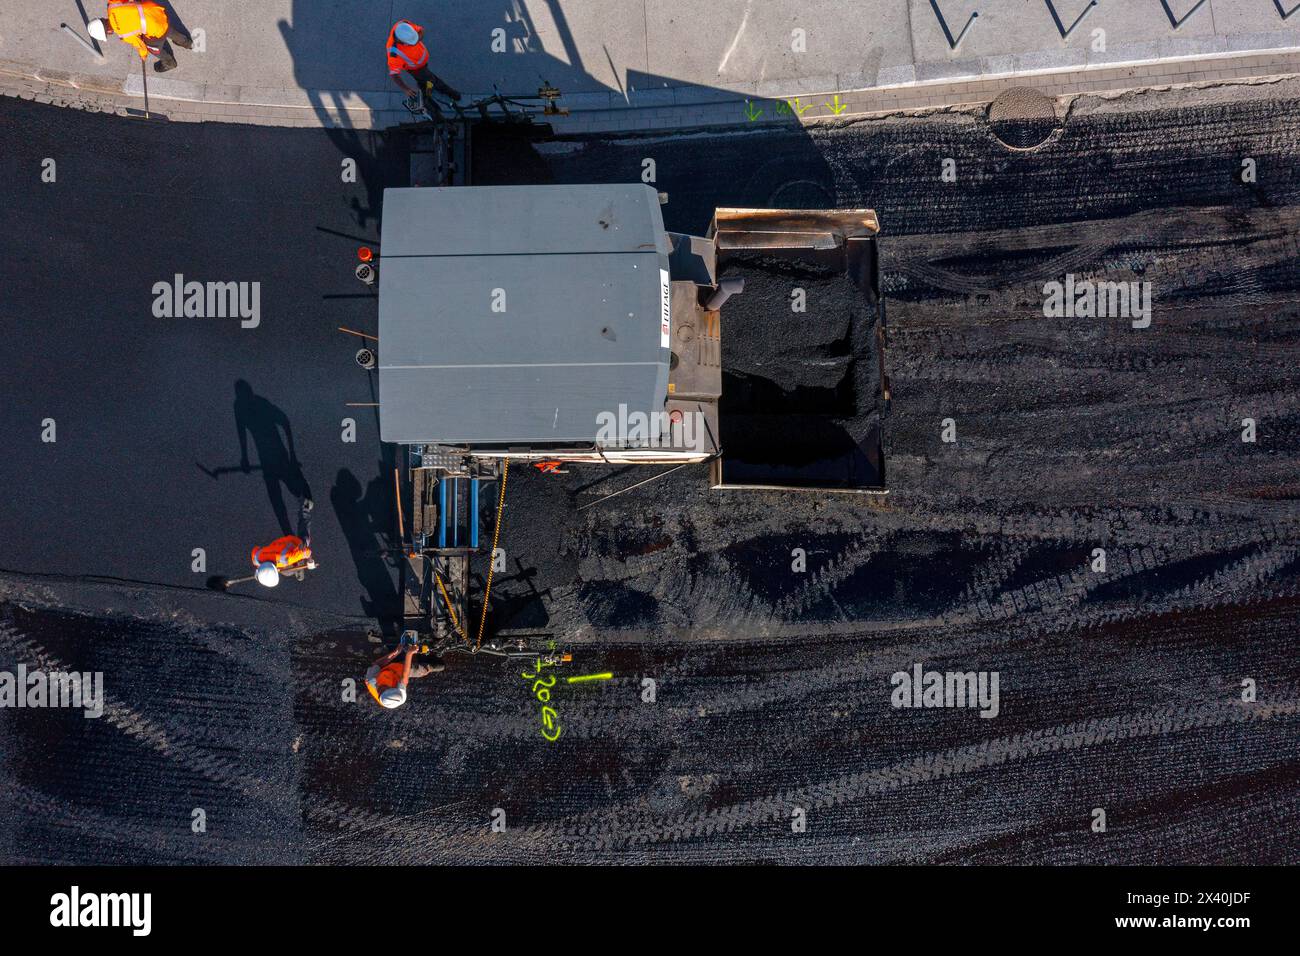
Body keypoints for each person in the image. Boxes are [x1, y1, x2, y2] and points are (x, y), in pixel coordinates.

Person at [88, 2, 192, 73]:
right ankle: (186, 43)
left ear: (108, 32)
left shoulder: (124, 34)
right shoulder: (112, 6)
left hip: (157, 30)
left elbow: (141, 45)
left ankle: (169, 63)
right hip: (156, 11)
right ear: (102, 19)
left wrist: (143, 56)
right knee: (167, 28)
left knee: (154, 48)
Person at [386, 19, 462, 114]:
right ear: (400, 41)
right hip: (418, 70)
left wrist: (417, 39)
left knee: (427, 83)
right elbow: (394, 74)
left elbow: (421, 31)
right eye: (410, 43)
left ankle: (428, 95)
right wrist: (405, 89)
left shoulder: (403, 25)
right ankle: (449, 95)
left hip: (422, 65)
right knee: (433, 81)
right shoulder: (394, 52)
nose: (414, 43)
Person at [365, 634, 444, 709]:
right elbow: (404, 676)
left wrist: (395, 653)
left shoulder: (371, 680)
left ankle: (421, 646)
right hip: (401, 671)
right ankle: (430, 644)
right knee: (439, 666)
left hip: (392, 667)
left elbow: (377, 664)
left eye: (382, 689)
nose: (380, 688)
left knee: (405, 646)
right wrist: (409, 654)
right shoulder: (398, 695)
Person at [250, 498, 315, 587]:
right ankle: (297, 566)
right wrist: (259, 571)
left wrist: (310, 562)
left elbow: (307, 552)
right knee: (287, 572)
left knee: (305, 538)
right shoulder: (257, 558)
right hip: (280, 544)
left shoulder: (286, 559)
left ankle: (305, 508)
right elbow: (255, 549)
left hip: (294, 543)